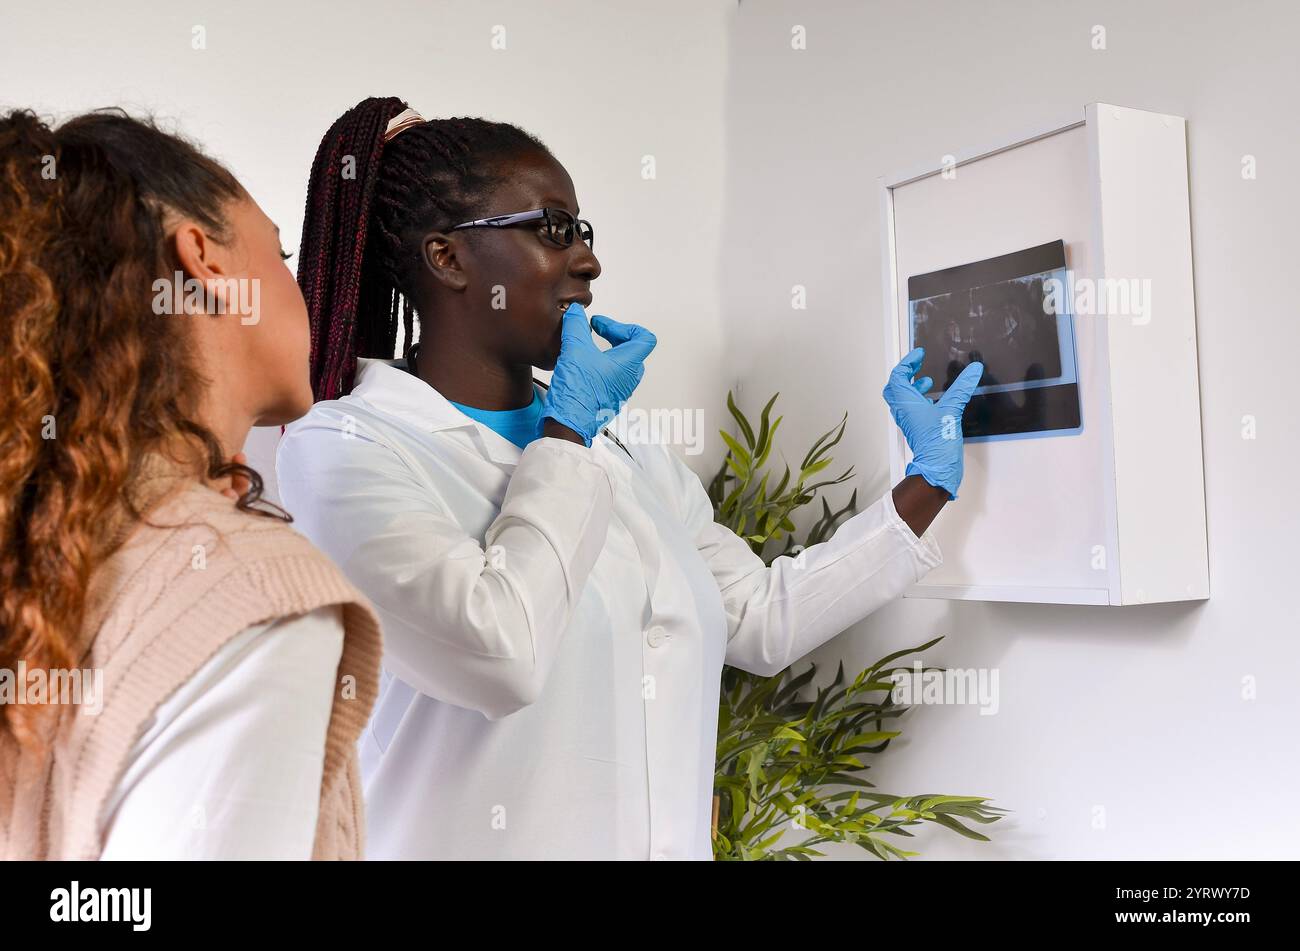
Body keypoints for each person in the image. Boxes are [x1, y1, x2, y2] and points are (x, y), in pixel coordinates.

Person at [276, 96, 984, 860]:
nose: (587, 259)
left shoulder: (626, 447)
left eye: (581, 229)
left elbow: (759, 616)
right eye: (550, 229)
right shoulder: (348, 448)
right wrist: (567, 433)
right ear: (447, 258)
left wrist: (929, 483)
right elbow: (497, 654)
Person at [0, 108, 383, 860]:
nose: (301, 282)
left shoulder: (42, 547)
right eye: (281, 252)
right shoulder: (251, 595)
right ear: (203, 259)